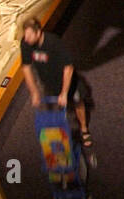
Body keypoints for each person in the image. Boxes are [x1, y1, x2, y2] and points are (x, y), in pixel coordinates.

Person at [19, 17, 92, 149]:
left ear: (39, 32)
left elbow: (68, 68)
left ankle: (84, 128)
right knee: (54, 108)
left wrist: (64, 93)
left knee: (77, 102)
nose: (27, 38)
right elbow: (26, 67)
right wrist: (34, 92)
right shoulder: (25, 44)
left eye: (30, 35)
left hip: (67, 81)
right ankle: (61, 135)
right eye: (25, 34)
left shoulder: (54, 43)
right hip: (48, 81)